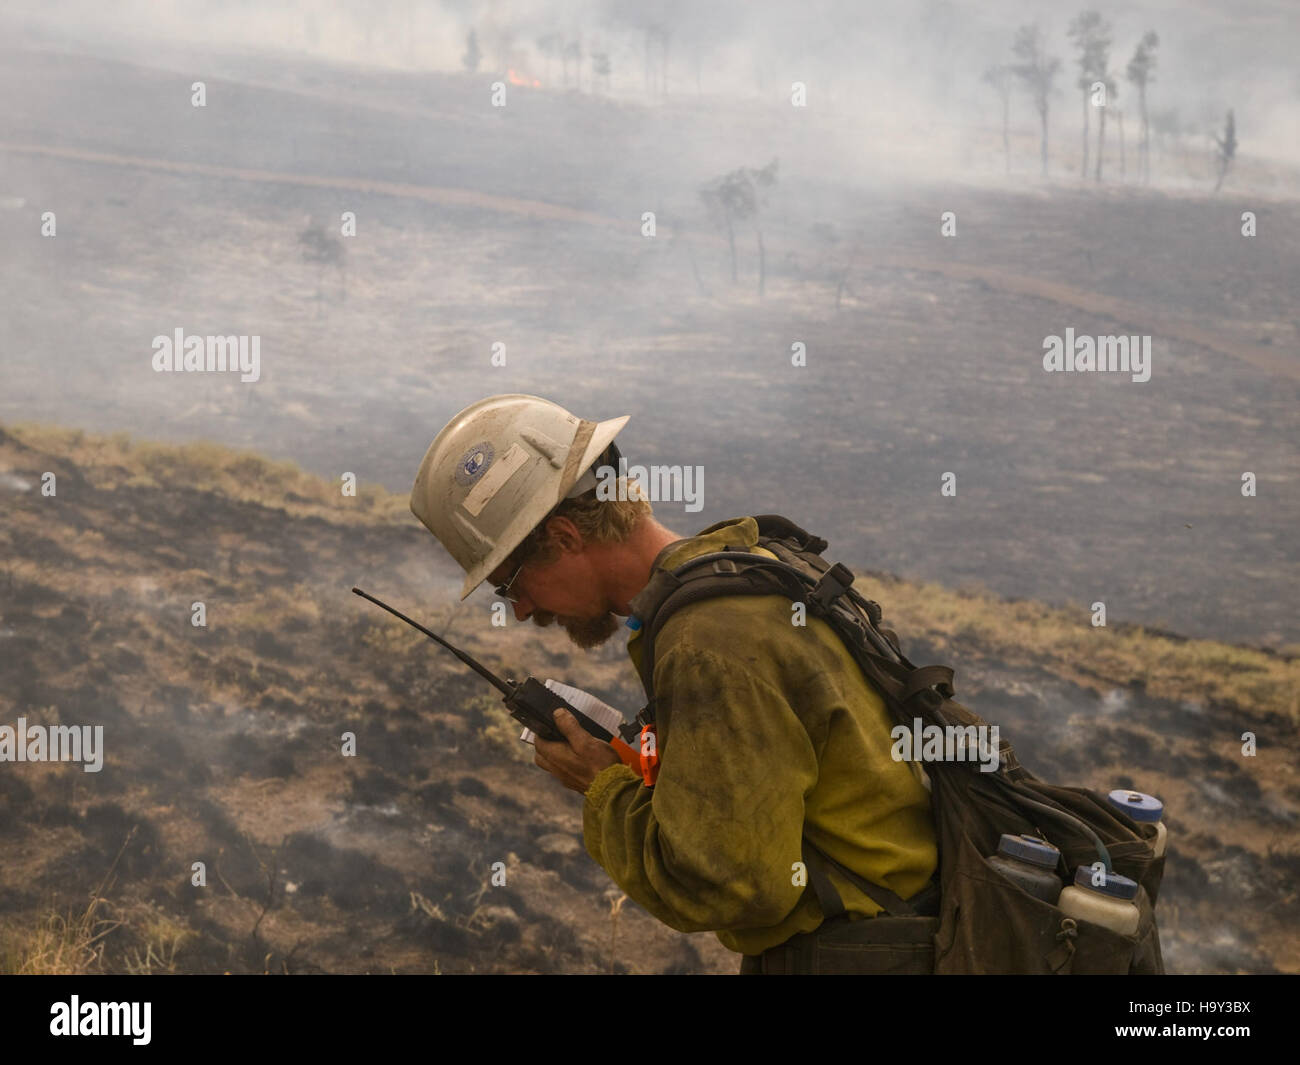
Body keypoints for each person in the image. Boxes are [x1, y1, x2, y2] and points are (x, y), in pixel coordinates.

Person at [410, 393, 938, 973]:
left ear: (563, 537)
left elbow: (734, 884)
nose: (521, 610)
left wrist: (605, 789)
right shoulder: (752, 569)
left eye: (510, 582)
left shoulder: (706, 641)